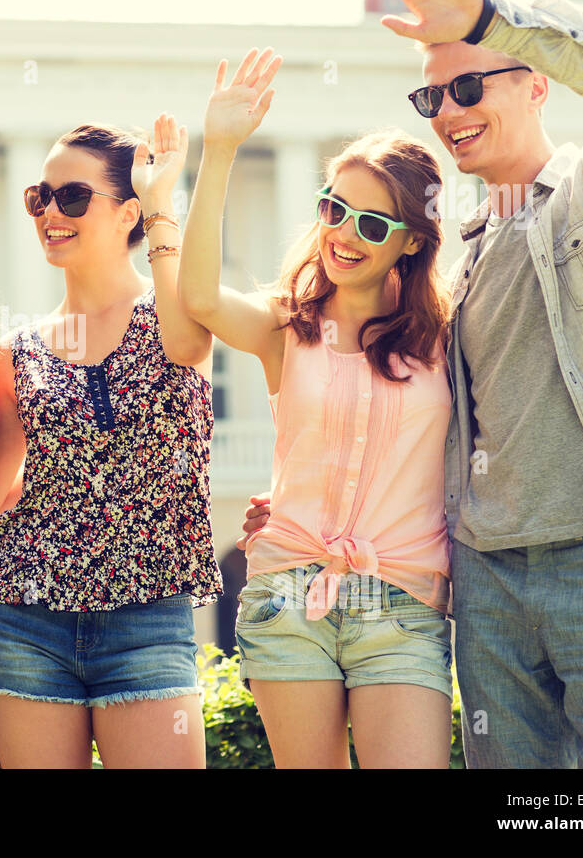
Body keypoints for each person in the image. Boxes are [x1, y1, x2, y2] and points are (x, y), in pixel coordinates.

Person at [248, 0, 583, 768]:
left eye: (471, 84)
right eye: (433, 95)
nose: (449, 110)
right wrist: (310, 510)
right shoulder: (458, 270)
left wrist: (489, 18)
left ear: (538, 82)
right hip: (487, 581)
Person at [170, 49, 455, 767]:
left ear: (413, 242)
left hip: (402, 601)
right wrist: (222, 148)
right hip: (287, 596)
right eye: (335, 208)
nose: (345, 234)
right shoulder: (284, 326)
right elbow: (198, 298)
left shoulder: (449, 339)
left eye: (372, 223)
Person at [0, 121, 223, 769]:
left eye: (73, 197)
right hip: (22, 613)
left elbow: (188, 347)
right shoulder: (16, 352)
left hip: (147, 614)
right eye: (39, 198)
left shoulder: (177, 316)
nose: (50, 212)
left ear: (127, 213)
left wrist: (164, 199)